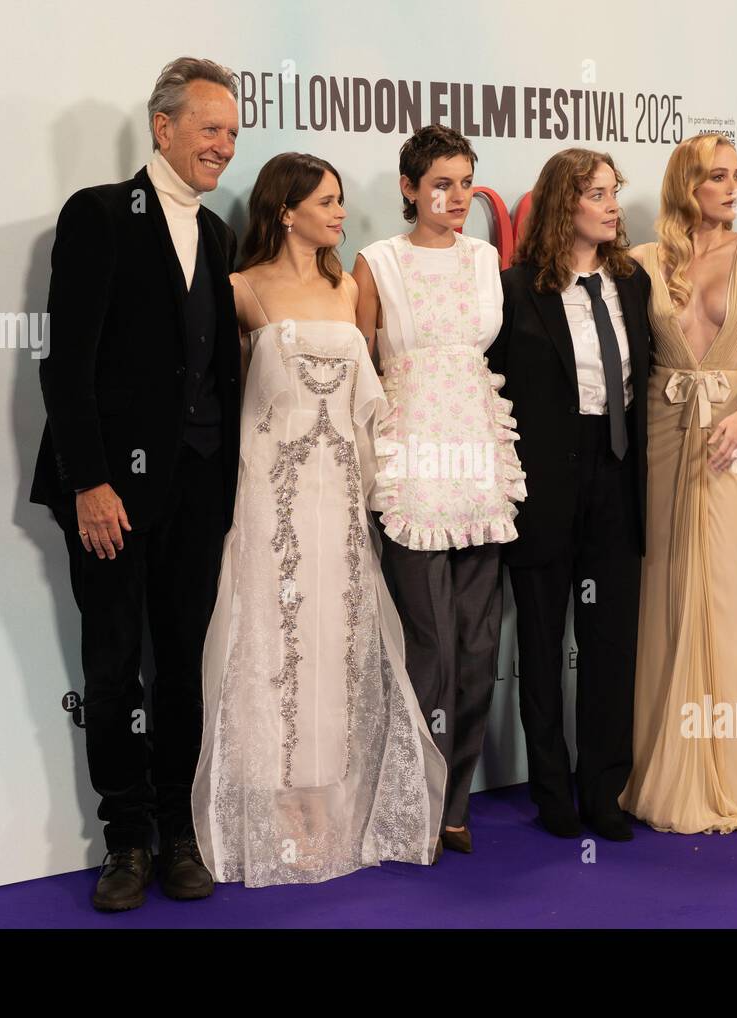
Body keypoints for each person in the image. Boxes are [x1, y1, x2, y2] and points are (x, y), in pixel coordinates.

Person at [189, 152, 447, 887]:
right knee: (272, 649)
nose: (341, 213)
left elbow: (371, 409)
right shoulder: (240, 291)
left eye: (340, 200)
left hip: (338, 505)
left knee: (334, 646)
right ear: (284, 211)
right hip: (271, 501)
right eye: (327, 201)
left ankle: (325, 801)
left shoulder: (346, 288)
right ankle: (273, 809)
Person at [28, 57, 242, 911]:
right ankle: (125, 841)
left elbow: (217, 371)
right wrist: (90, 483)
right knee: (114, 669)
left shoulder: (219, 233)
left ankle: (178, 834)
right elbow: (66, 363)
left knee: (182, 666)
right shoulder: (102, 214)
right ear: (163, 128)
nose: (223, 147)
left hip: (193, 492)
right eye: (209, 129)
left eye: (232, 133)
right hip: (112, 493)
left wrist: (221, 487)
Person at [352, 125, 525, 855]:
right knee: (429, 649)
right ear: (409, 187)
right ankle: (407, 804)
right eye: (441, 184)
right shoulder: (376, 264)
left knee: (480, 648)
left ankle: (454, 805)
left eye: (465, 182)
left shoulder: (486, 259)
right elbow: (360, 370)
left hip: (479, 470)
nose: (456, 198)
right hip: (412, 472)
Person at [623, 133, 737, 833]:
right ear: (686, 186)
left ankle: (731, 765)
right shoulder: (639, 261)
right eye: (716, 177)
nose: (731, 187)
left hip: (730, 432)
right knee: (663, 585)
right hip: (662, 435)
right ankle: (664, 761)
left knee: (724, 589)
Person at [486, 149, 651, 842]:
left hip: (617, 472)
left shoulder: (633, 283)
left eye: (615, 193)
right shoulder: (514, 290)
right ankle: (553, 789)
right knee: (545, 642)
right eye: (597, 195)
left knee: (612, 643)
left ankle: (605, 789)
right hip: (545, 482)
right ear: (563, 206)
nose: (614, 206)